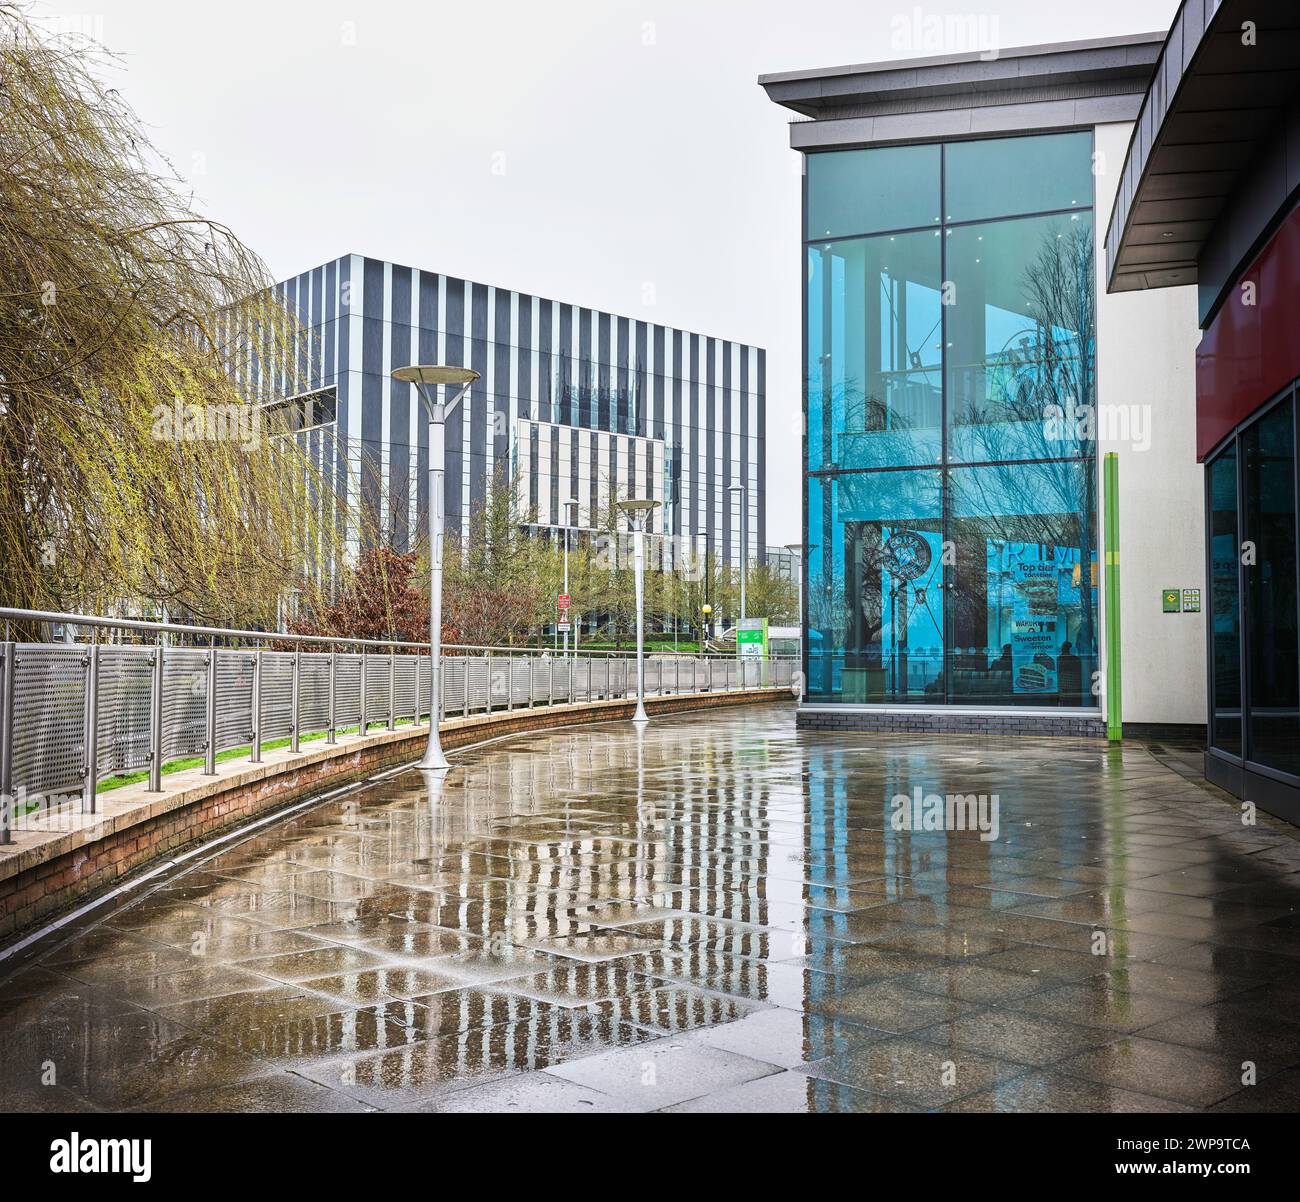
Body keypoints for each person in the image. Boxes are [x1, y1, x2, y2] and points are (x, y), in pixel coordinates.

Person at [1058, 640, 1082, 706]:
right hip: (1074, 685)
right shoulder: (1075, 658)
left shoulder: (1060, 658)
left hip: (1063, 684)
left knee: (1065, 702)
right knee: (1073, 702)